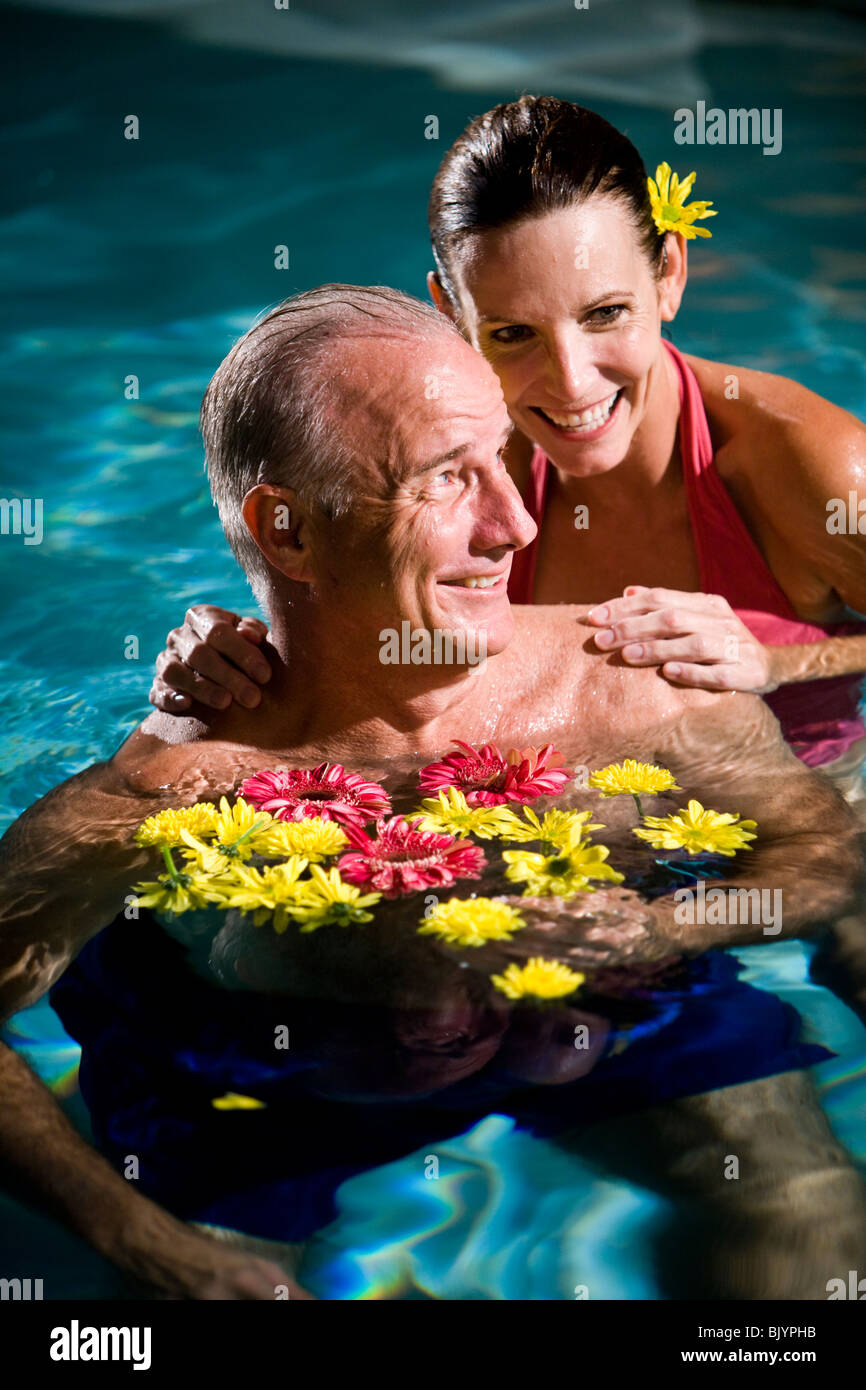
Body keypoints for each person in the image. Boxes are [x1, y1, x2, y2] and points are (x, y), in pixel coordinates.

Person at [0, 286, 862, 1300]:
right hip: (268, 1072)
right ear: (286, 534)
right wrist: (144, 1240)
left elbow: (819, 854)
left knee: (815, 1246)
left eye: (500, 458)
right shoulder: (168, 790)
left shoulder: (629, 686)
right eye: (446, 480)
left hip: (597, 1014)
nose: (513, 521)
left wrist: (665, 927)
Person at [151, 97, 866, 785]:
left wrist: (777, 667)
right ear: (450, 315)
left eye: (606, 312)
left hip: (817, 796)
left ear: (670, 273)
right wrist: (236, 654)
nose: (570, 382)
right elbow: (351, 617)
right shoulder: (465, 476)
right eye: (512, 333)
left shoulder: (808, 463)